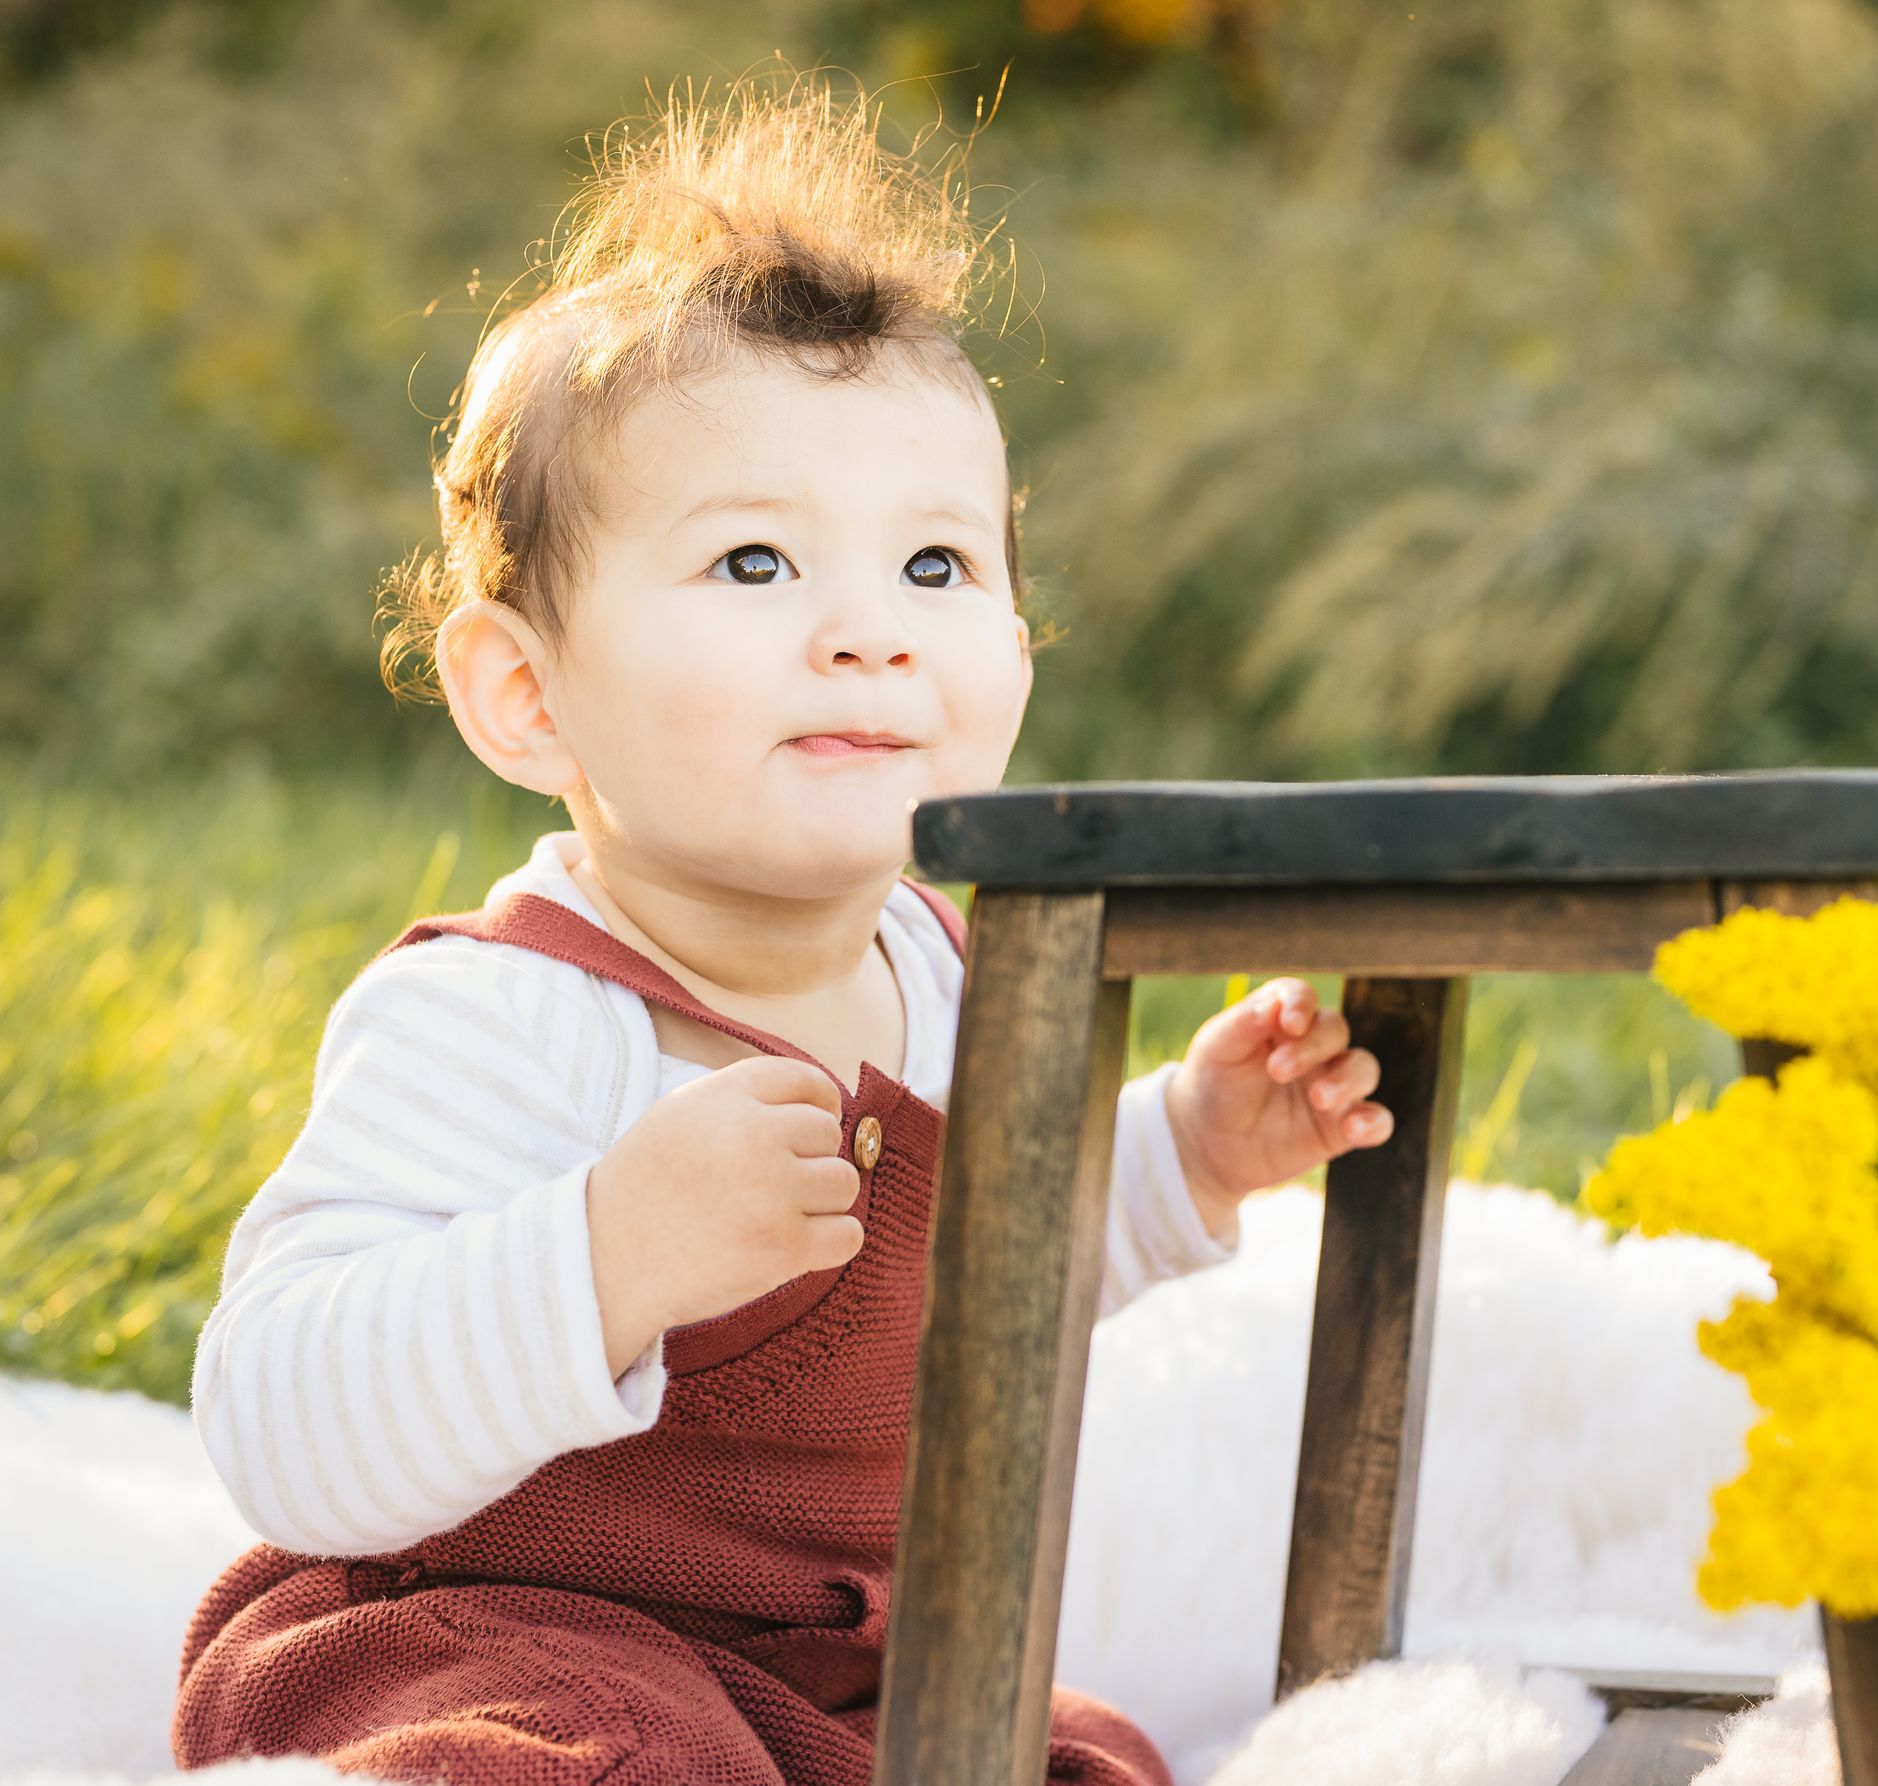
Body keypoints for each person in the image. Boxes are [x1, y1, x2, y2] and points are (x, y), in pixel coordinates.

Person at [168, 75, 1396, 1786]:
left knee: (1080, 1755)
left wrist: (1184, 1152)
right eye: (755, 564)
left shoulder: (944, 971)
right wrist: (606, 1254)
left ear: (1022, 645)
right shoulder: (504, 1015)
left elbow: (996, 1279)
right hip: (503, 1631)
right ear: (526, 694)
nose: (868, 635)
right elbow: (280, 1423)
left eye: (938, 567)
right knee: (590, 1759)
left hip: (832, 1674)